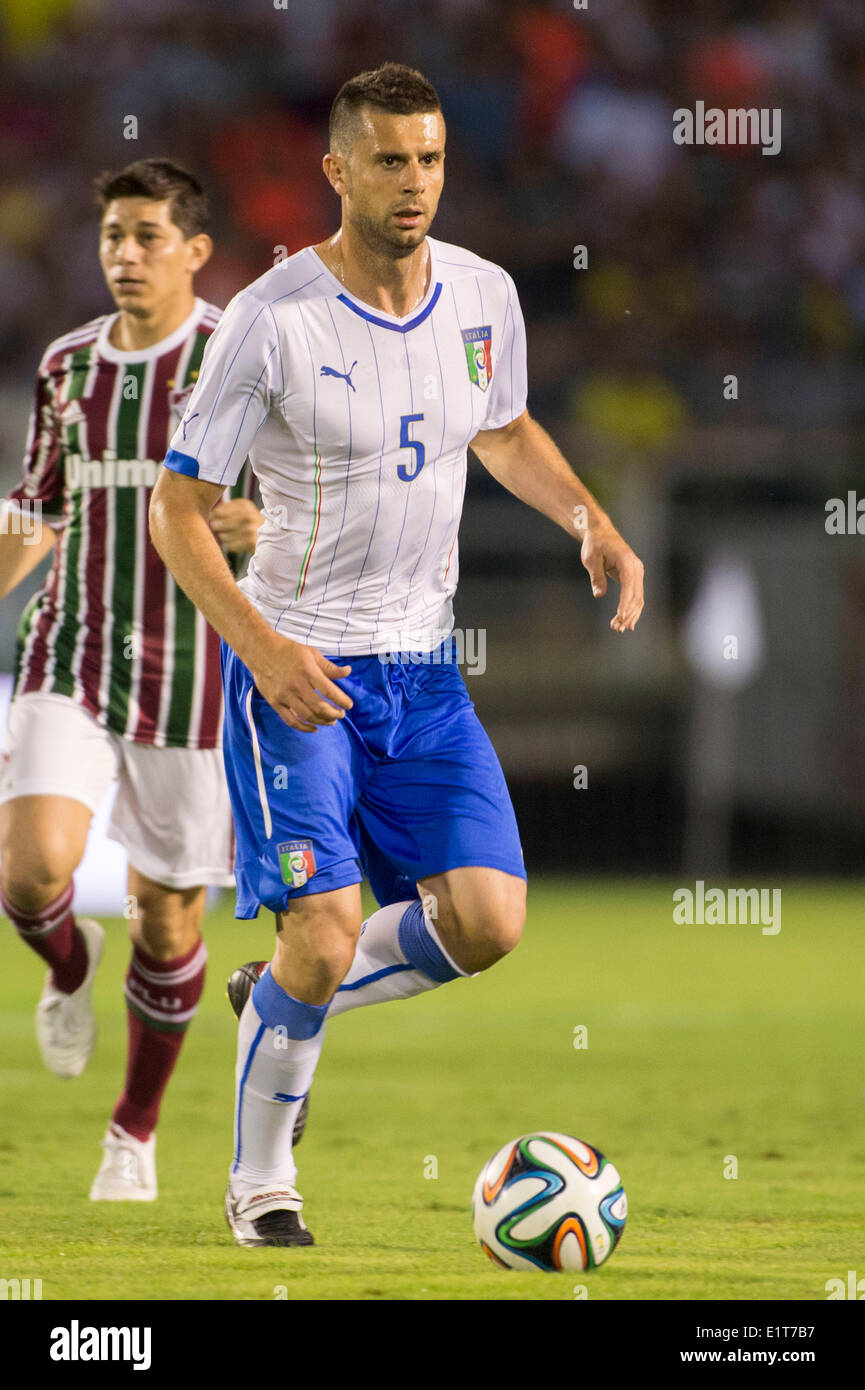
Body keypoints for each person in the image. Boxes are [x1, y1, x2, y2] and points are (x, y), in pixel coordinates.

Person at [149, 63, 644, 1248]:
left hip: (422, 670)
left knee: (486, 922)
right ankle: (261, 1180)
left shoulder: (481, 296)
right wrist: (261, 652)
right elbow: (179, 508)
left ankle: (272, 1003)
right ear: (336, 171)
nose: (412, 180)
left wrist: (591, 521)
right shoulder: (274, 321)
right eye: (387, 159)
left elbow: (504, 427)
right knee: (322, 930)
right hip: (300, 665)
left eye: (427, 158)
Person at [0, 158, 261, 1202]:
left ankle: (134, 1131)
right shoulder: (67, 368)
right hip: (71, 649)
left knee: (169, 918)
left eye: (148, 236)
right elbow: (37, 509)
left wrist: (263, 525)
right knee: (27, 870)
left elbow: (307, 503)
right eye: (113, 235)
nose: (125, 255)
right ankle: (69, 965)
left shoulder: (238, 364)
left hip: (196, 669)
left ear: (196, 252)